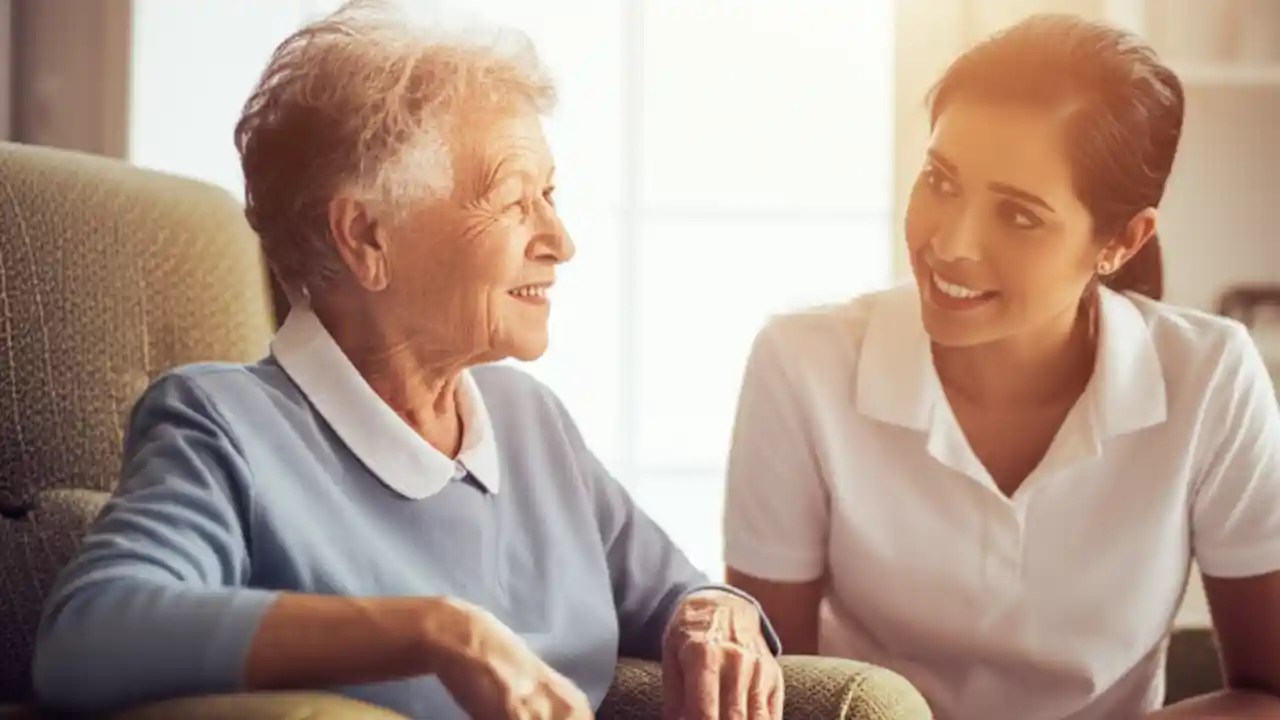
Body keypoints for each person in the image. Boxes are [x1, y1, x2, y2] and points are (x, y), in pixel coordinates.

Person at [32, 3, 782, 718]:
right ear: (365, 237)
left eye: (550, 195)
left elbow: (676, 596)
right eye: (516, 201)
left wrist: (715, 615)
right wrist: (437, 632)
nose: (560, 240)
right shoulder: (225, 425)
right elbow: (88, 636)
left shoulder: (527, 420)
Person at [723, 14, 1280, 720]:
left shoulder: (1211, 377)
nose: (950, 243)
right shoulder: (801, 365)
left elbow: (1268, 695)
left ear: (1121, 239)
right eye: (940, 180)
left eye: (1018, 216)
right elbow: (779, 693)